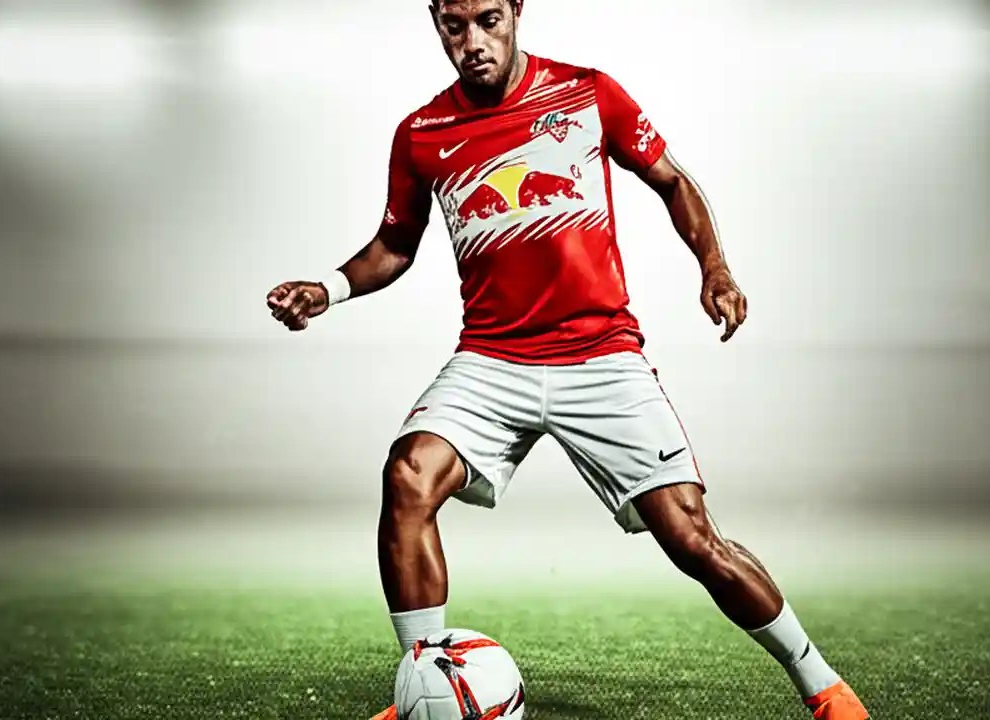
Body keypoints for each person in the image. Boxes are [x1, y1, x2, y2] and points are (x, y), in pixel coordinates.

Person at [266, 1, 868, 717]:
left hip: (601, 355)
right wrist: (327, 289)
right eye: (453, 25)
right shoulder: (422, 134)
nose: (472, 41)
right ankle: (425, 683)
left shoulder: (587, 94)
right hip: (492, 359)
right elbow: (394, 246)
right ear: (435, 21)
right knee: (408, 475)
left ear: (518, 10)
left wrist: (716, 269)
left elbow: (673, 181)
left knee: (693, 539)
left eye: (488, 18)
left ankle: (823, 686)